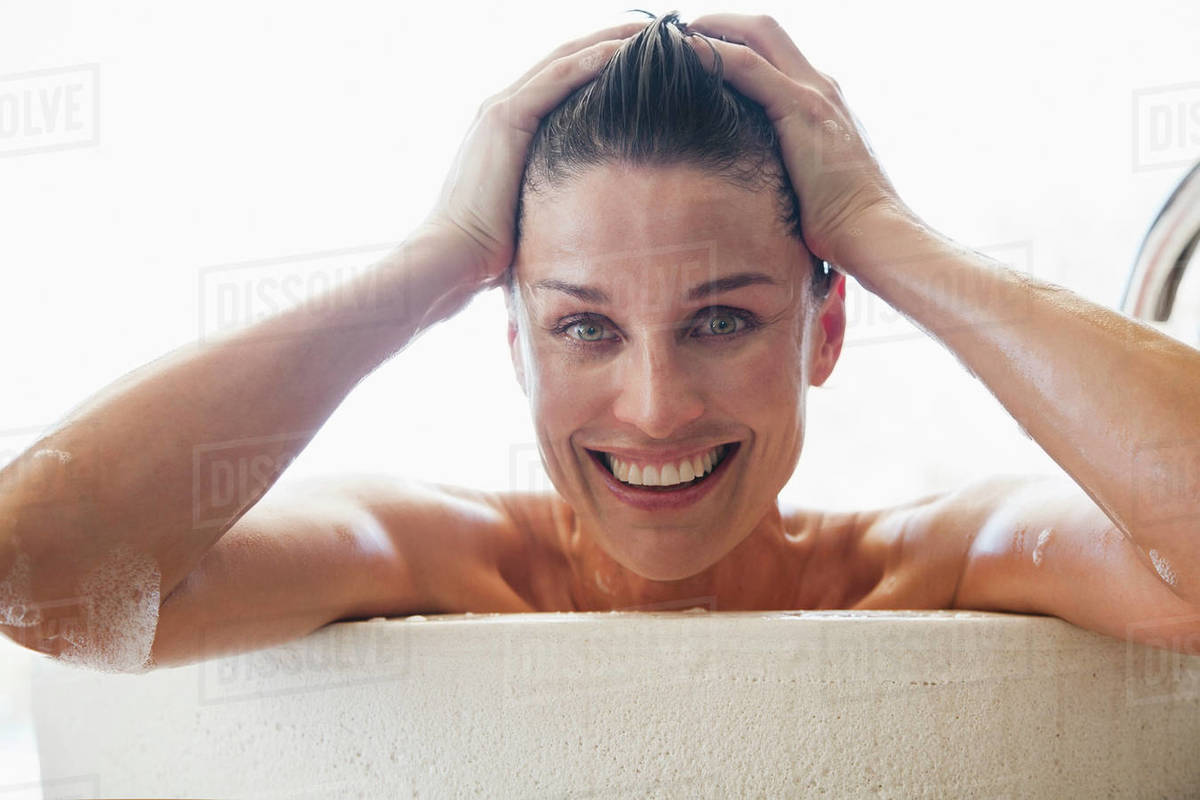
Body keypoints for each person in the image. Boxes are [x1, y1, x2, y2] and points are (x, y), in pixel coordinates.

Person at [1, 11, 1197, 672]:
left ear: (827, 328)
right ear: (514, 344)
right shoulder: (433, 565)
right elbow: (38, 572)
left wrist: (885, 234)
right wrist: (434, 261)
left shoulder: (934, 571)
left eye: (723, 318)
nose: (658, 404)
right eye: (583, 326)